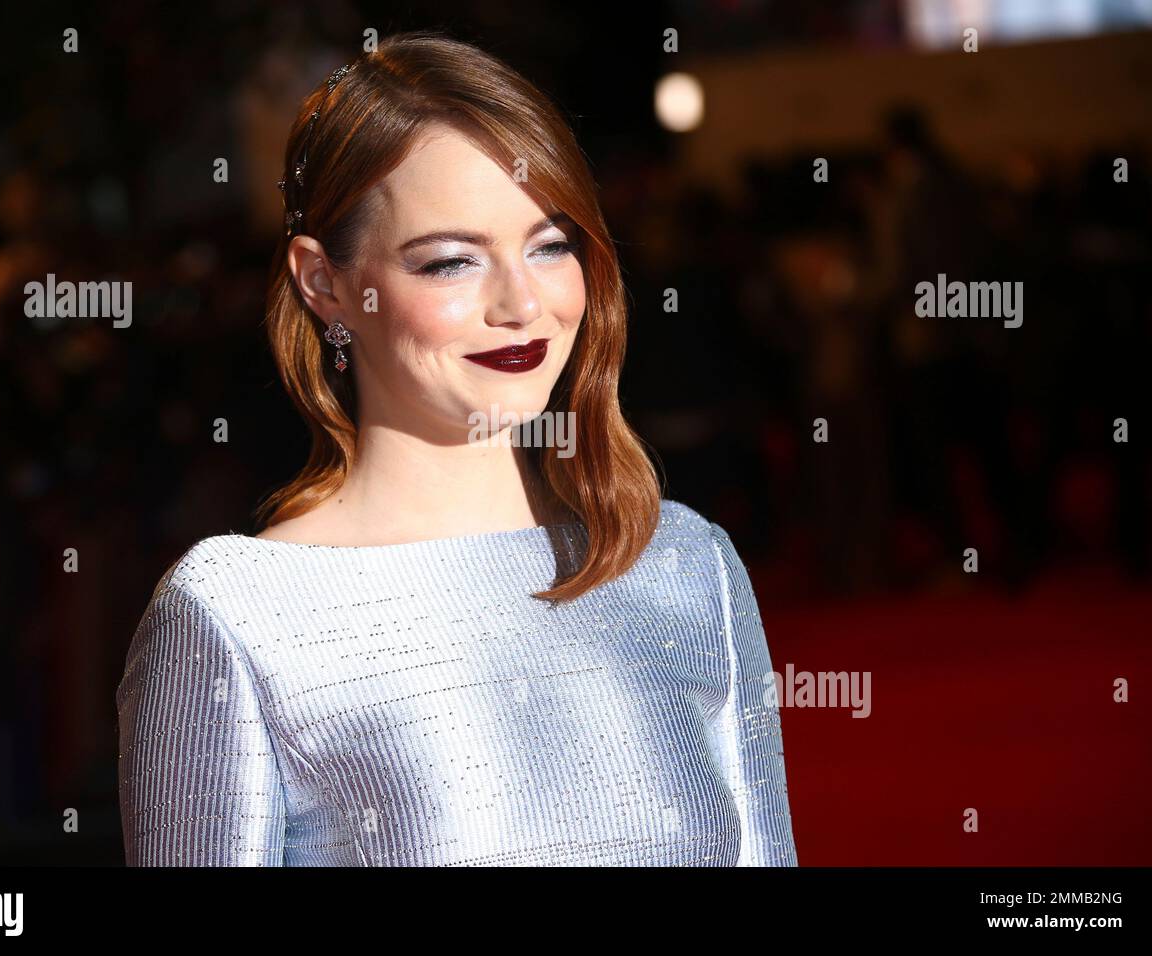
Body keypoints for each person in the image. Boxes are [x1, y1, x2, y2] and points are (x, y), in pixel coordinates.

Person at [115, 31, 797, 867]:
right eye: (449, 263)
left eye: (550, 246)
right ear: (325, 284)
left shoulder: (688, 566)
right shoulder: (237, 616)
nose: (521, 302)